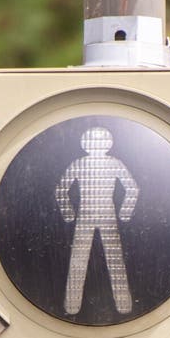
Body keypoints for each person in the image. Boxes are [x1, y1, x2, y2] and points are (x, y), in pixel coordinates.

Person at [55, 127, 139, 315]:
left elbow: (132, 188)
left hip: (105, 216)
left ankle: (123, 307)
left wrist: (125, 212)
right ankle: (71, 307)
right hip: (88, 215)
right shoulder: (80, 164)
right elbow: (61, 189)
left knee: (114, 259)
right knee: (80, 259)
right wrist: (68, 213)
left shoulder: (111, 163)